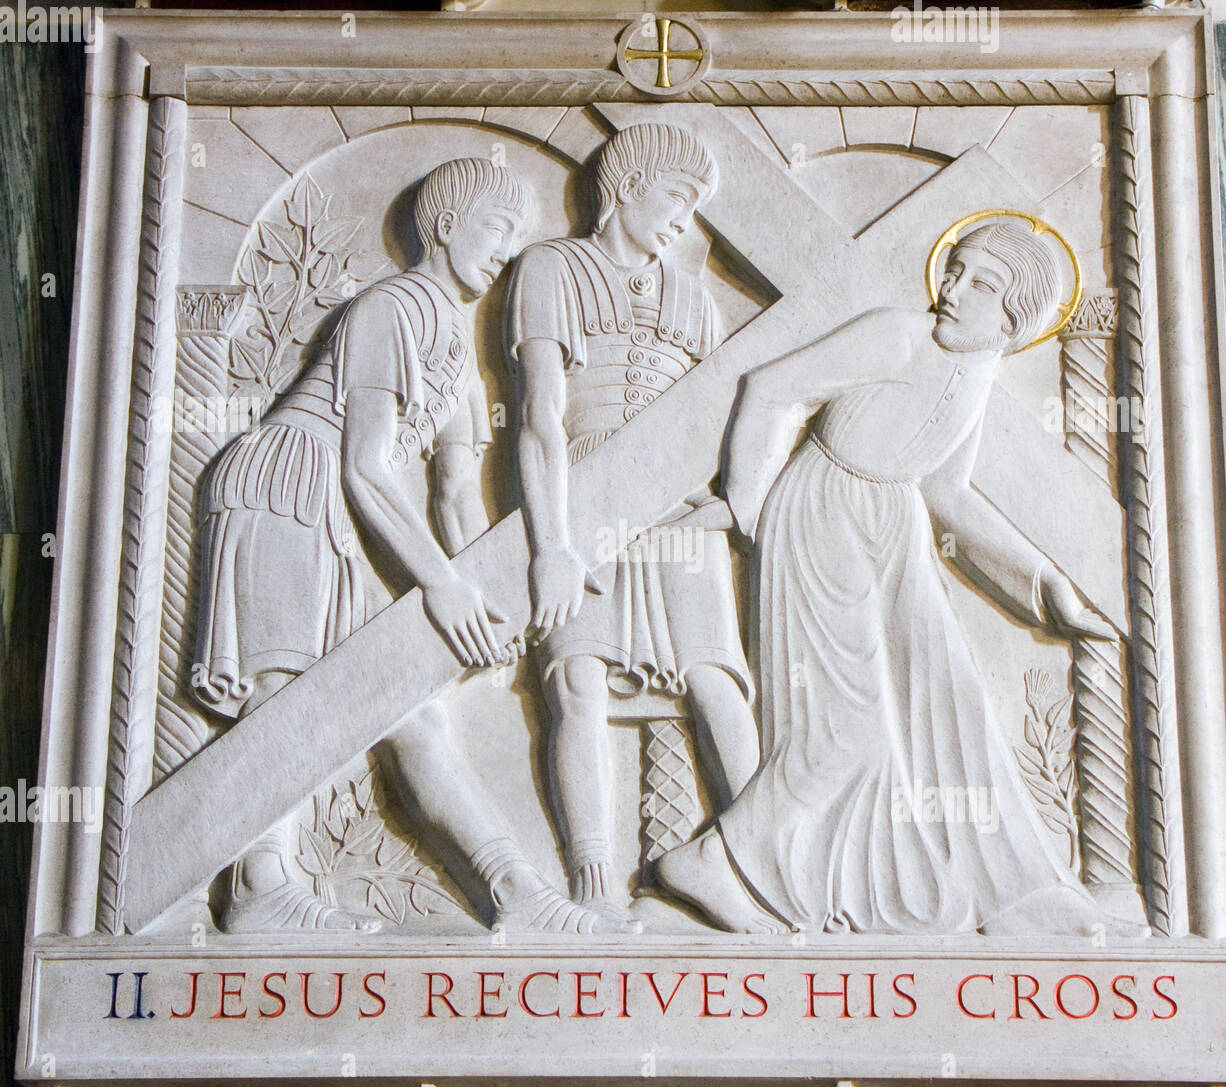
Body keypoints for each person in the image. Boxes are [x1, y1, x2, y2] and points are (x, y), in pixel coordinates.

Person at [654, 218, 1133, 936]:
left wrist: (1042, 584)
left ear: (1015, 318)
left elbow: (946, 495)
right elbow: (772, 388)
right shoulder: (896, 332)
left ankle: (1020, 896)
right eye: (957, 270)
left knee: (950, 704)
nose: (954, 289)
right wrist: (751, 510)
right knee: (843, 725)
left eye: (982, 284)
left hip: (896, 529)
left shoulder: (978, 372)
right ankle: (715, 860)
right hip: (823, 515)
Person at [190, 157, 617, 935]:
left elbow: (455, 493)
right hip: (294, 480)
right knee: (285, 684)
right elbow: (366, 465)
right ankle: (258, 883)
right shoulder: (395, 307)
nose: (505, 248)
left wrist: (490, 611)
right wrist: (441, 588)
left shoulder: (454, 348)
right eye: (495, 228)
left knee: (409, 705)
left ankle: (511, 888)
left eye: (518, 237)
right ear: (446, 226)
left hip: (356, 513)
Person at [507, 123, 759, 922]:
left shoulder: (694, 297)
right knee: (577, 684)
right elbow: (539, 418)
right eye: (678, 197)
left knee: (715, 682)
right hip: (581, 504)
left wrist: (737, 497)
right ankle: (593, 883)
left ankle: (765, 872)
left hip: (680, 516)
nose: (687, 219)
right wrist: (551, 546)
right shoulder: (548, 269)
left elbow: (728, 425)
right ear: (626, 184)